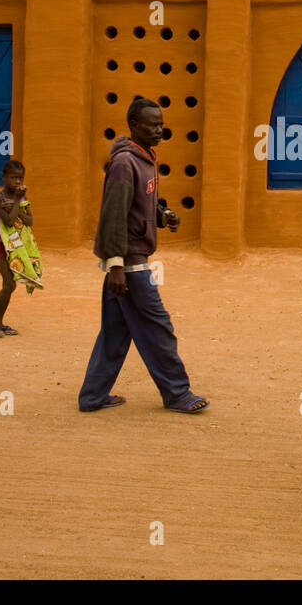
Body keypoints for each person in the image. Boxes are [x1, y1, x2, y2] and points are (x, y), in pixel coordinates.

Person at [78, 97, 209, 414]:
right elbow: (114, 216)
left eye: (161, 124)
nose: (159, 129)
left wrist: (163, 216)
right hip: (130, 263)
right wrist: (115, 266)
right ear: (134, 125)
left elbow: (142, 206)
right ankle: (177, 393)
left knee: (115, 332)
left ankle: (92, 396)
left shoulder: (144, 158)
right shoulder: (125, 164)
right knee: (157, 327)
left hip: (130, 259)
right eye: (152, 124)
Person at [0, 159, 31, 337]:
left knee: (10, 285)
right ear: (4, 178)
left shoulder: (22, 196)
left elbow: (29, 221)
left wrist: (17, 205)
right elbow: (9, 221)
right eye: (13, 178)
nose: (17, 182)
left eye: (20, 178)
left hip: (13, 246)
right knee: (9, 284)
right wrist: (17, 201)